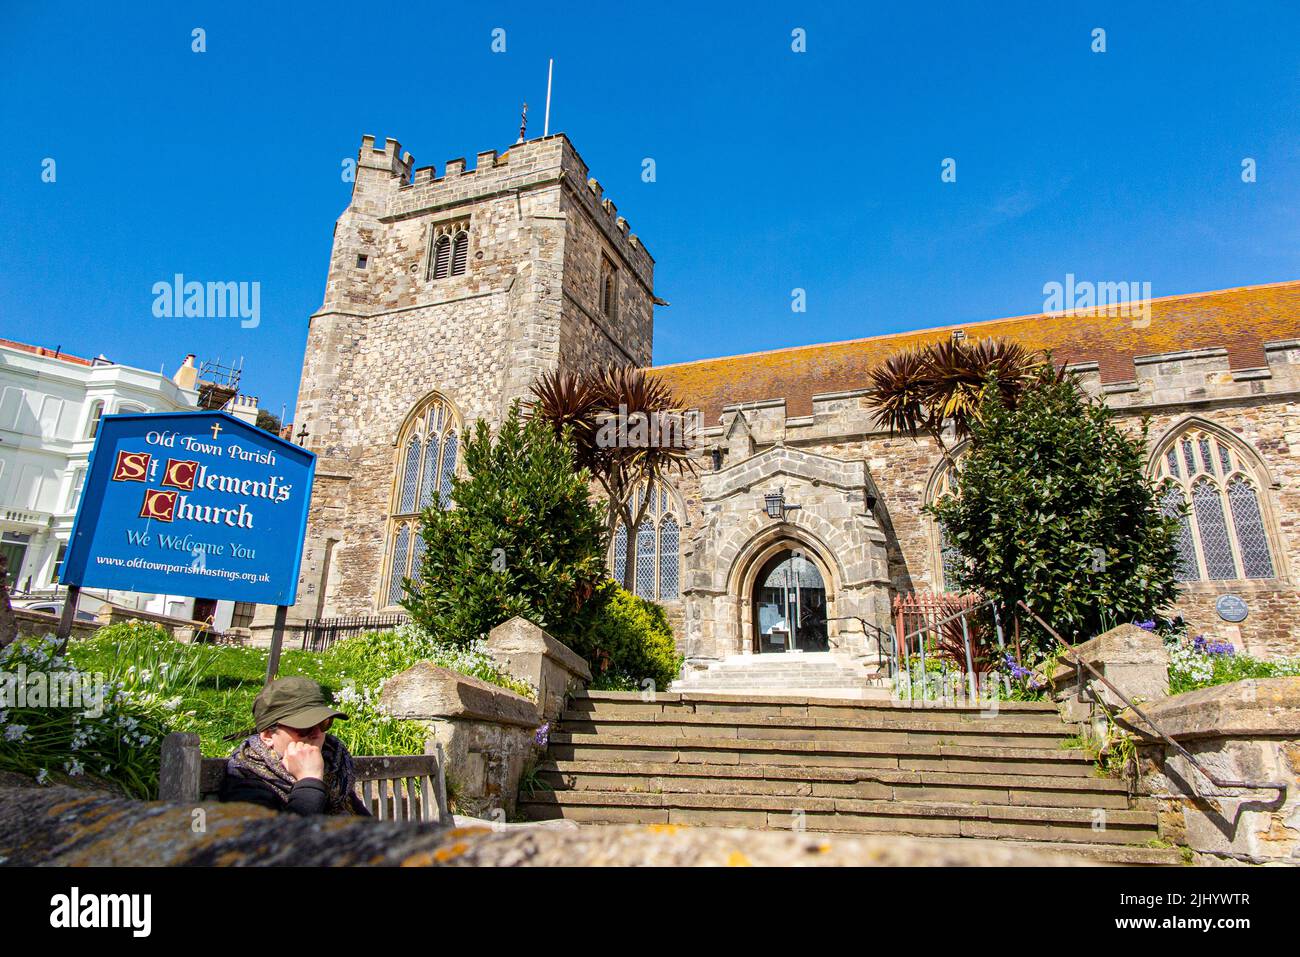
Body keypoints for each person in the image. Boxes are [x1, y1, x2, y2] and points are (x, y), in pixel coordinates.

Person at [220, 676, 371, 816]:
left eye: (323, 723)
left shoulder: (333, 765)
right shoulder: (248, 780)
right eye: (304, 727)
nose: (317, 733)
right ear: (267, 736)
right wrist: (310, 780)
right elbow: (283, 839)